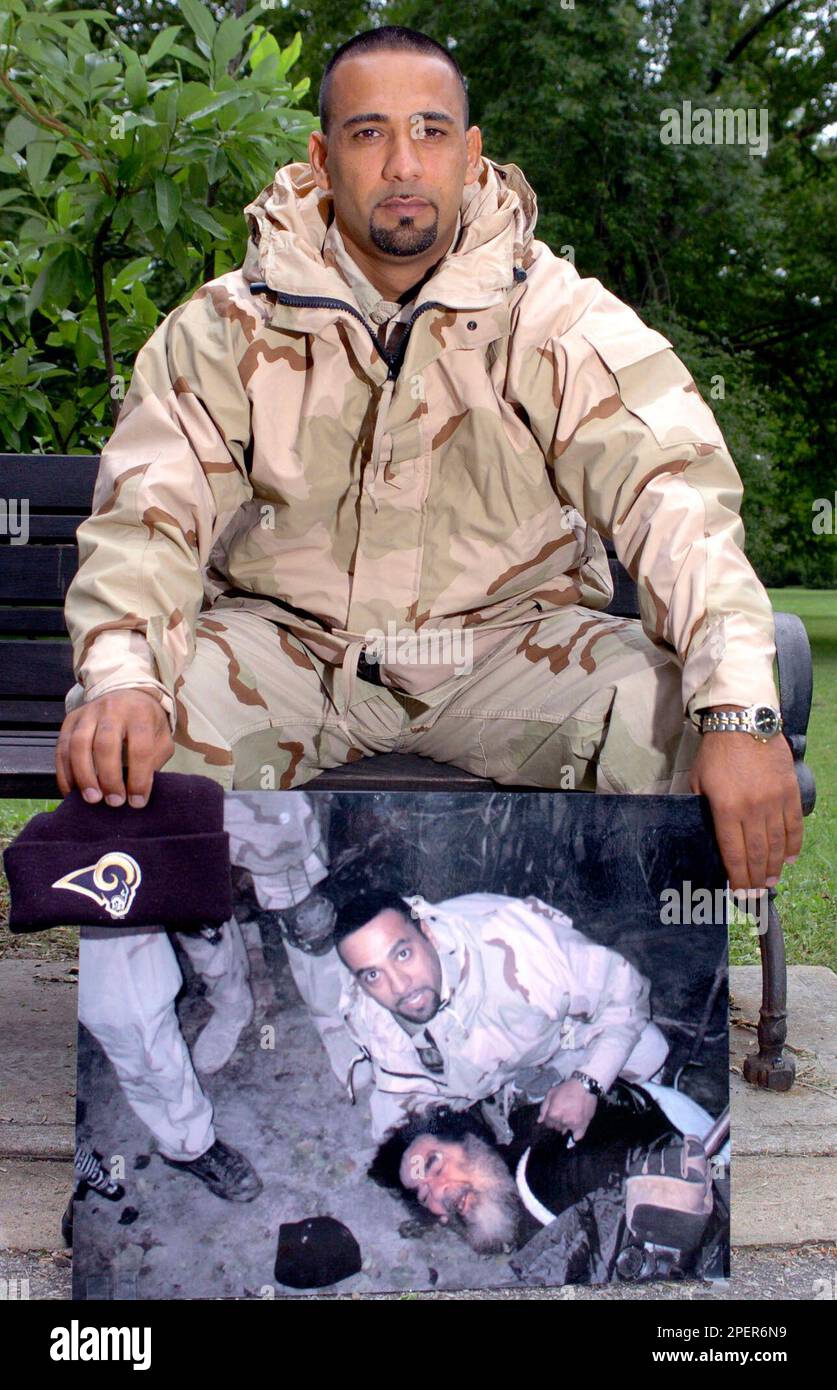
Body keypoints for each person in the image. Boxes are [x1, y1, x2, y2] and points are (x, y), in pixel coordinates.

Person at [55, 25, 801, 897]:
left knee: (675, 721)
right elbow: (148, 525)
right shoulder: (228, 328)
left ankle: (642, 1000)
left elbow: (674, 497)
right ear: (322, 154)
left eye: (431, 131)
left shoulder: (554, 317)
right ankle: (191, 1003)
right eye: (370, 133)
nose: (403, 163)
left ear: (469, 151)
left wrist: (738, 709)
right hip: (288, 649)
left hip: (509, 647)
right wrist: (121, 680)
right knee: (129, 727)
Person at [78, 792, 341, 1201]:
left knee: (297, 888)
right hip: (78, 800)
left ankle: (335, 1022)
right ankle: (188, 1139)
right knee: (126, 1002)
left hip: (195, 739)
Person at [333, 888, 669, 1140]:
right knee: (393, 1137)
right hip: (464, 1083)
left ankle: (547, 1092)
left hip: (553, 1044)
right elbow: (406, 1090)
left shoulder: (521, 945)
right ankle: (507, 1102)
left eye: (403, 954)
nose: (400, 985)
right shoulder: (367, 1013)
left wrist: (587, 1083)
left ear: (428, 934)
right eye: (373, 975)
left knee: (647, 1049)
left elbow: (626, 995)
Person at [369, 1080, 728, 1284]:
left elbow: (663, 1178)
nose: (438, 1192)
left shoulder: (550, 1171)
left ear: (472, 1141)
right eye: (423, 1194)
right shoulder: (518, 1212)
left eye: (434, 1164)